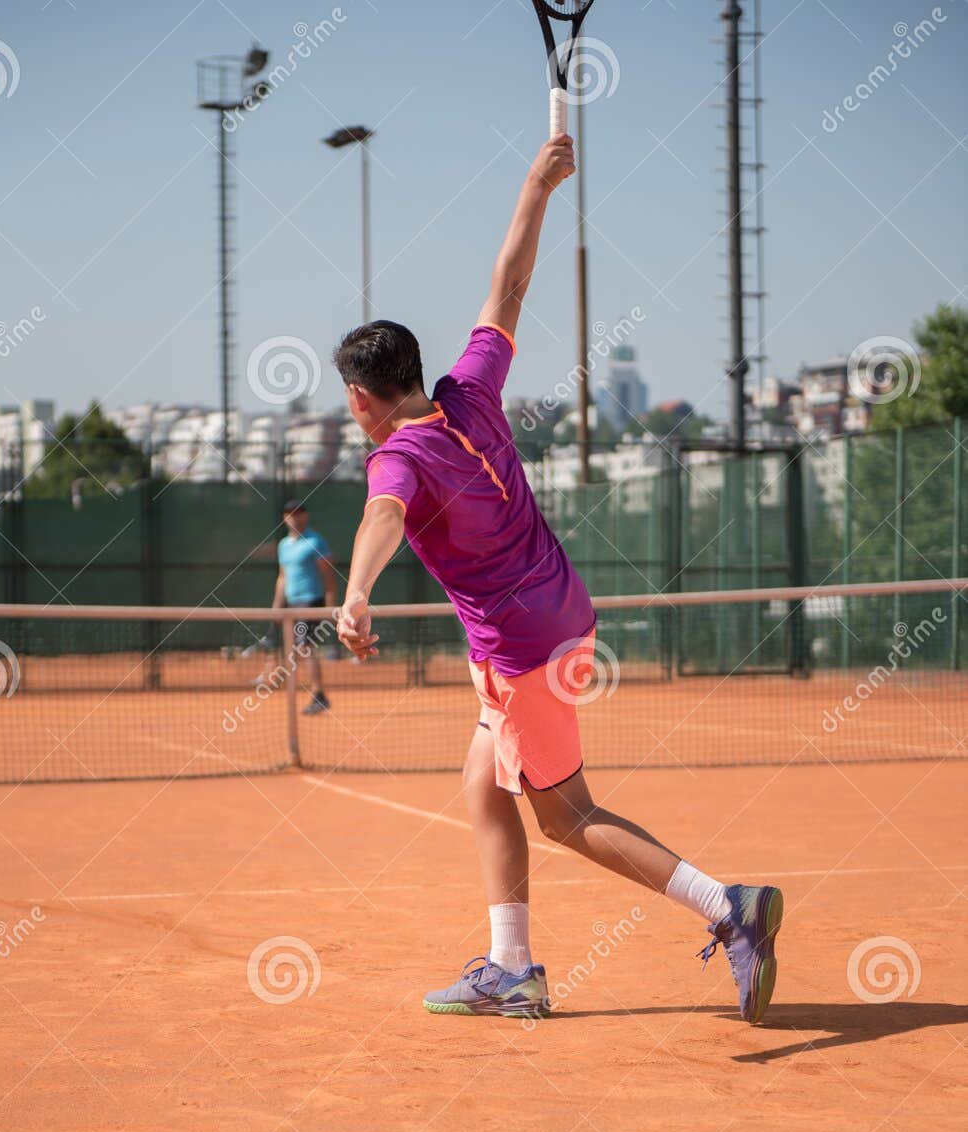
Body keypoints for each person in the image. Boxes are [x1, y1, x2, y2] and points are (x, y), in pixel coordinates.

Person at [333, 134, 782, 1024]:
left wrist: (354, 595)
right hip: (567, 616)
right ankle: (513, 969)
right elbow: (509, 285)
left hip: (522, 649)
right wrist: (536, 186)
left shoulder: (398, 457)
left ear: (360, 399)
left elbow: (382, 515)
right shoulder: (470, 392)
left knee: (567, 815)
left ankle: (729, 906)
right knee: (482, 781)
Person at [267, 502, 337, 714]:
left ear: (305, 516)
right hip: (291, 603)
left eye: (298, 514)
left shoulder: (315, 542)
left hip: (311, 602)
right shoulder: (283, 546)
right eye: (290, 514)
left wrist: (330, 606)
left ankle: (318, 694)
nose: (294, 518)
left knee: (305, 647)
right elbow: (282, 577)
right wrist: (277, 605)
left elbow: (328, 574)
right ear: (284, 518)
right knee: (298, 649)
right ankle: (306, 691)